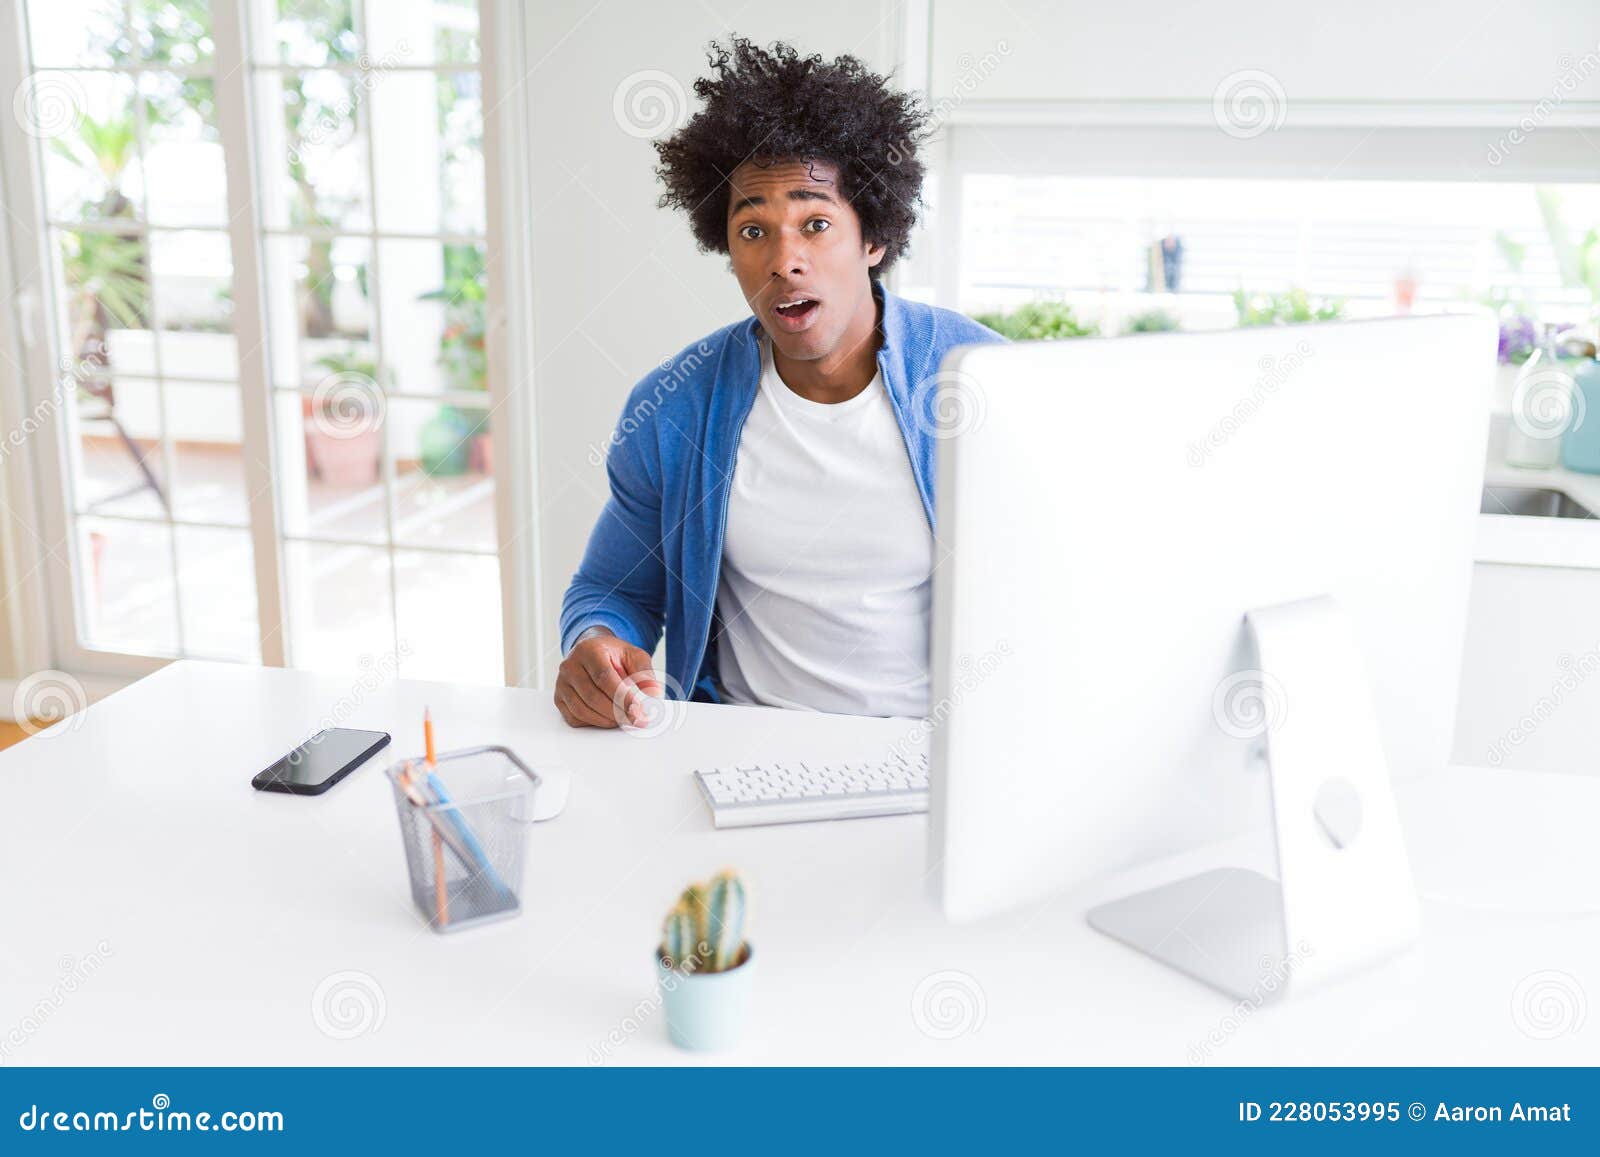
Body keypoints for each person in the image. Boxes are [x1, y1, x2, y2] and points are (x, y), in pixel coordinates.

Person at [555, 38, 1002, 729]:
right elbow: (614, 590)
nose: (784, 260)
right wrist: (597, 642)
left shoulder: (982, 381)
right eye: (753, 229)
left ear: (873, 239)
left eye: (816, 223)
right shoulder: (672, 408)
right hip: (741, 748)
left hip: (939, 757)